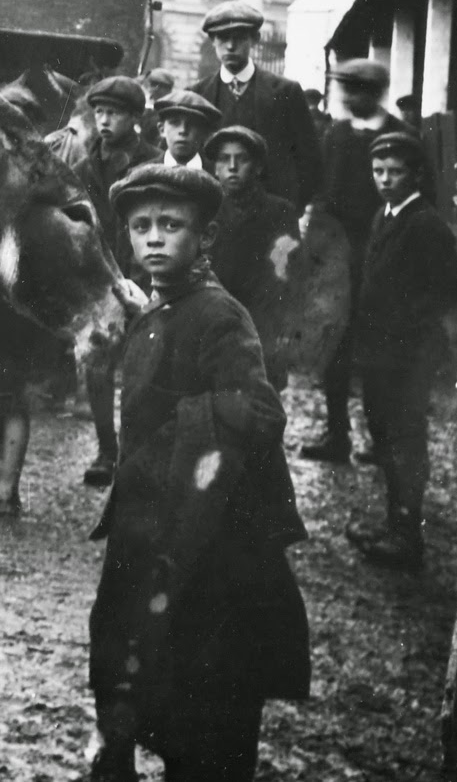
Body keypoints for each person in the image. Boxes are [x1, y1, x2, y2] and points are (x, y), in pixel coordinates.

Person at [87, 163, 309, 782]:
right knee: (131, 664)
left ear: (204, 237)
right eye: (140, 227)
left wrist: (170, 444)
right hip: (147, 531)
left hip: (206, 543)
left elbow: (259, 409)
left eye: (171, 225)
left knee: (206, 702)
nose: (154, 238)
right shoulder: (153, 309)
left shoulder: (219, 315)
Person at [345, 132, 457, 570]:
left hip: (407, 358)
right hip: (380, 354)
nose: (385, 179)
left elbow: (436, 298)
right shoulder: (384, 216)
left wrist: (406, 343)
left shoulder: (426, 225)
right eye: (378, 171)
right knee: (384, 439)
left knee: (404, 443)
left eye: (395, 172)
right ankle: (394, 524)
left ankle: (407, 537)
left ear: (415, 174)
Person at [302, 58, 410, 463]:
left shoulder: (401, 137)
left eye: (357, 90)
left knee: (380, 355)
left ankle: (381, 441)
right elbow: (321, 197)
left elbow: (420, 204)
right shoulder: (336, 135)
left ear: (377, 92)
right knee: (334, 350)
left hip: (384, 263)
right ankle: (337, 434)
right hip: (338, 263)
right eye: (345, 89)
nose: (349, 97)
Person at [72, 76, 161, 487]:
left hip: (143, 277)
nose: (105, 121)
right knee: (97, 369)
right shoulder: (82, 166)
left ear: (135, 118)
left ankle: (140, 451)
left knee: (145, 371)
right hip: (98, 281)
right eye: (100, 112)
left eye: (116, 113)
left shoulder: (151, 164)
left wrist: (142, 279)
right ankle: (107, 450)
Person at [192, 0, 322, 211]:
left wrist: (292, 209)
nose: (231, 46)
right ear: (212, 41)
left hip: (272, 215)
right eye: (223, 38)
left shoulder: (285, 92)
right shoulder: (198, 94)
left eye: (239, 38)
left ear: (255, 39)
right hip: (214, 214)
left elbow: (309, 159)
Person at [206, 126, 300, 391]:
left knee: (261, 407)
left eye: (242, 159)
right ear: (215, 168)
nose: (232, 167)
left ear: (258, 168)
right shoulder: (206, 211)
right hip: (214, 324)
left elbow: (284, 274)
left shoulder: (279, 212)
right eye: (224, 159)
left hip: (262, 327)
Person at [153, 88, 220, 169]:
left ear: (205, 133)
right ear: (162, 129)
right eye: (175, 123)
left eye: (193, 124)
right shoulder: (143, 175)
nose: (183, 130)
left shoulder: (216, 174)